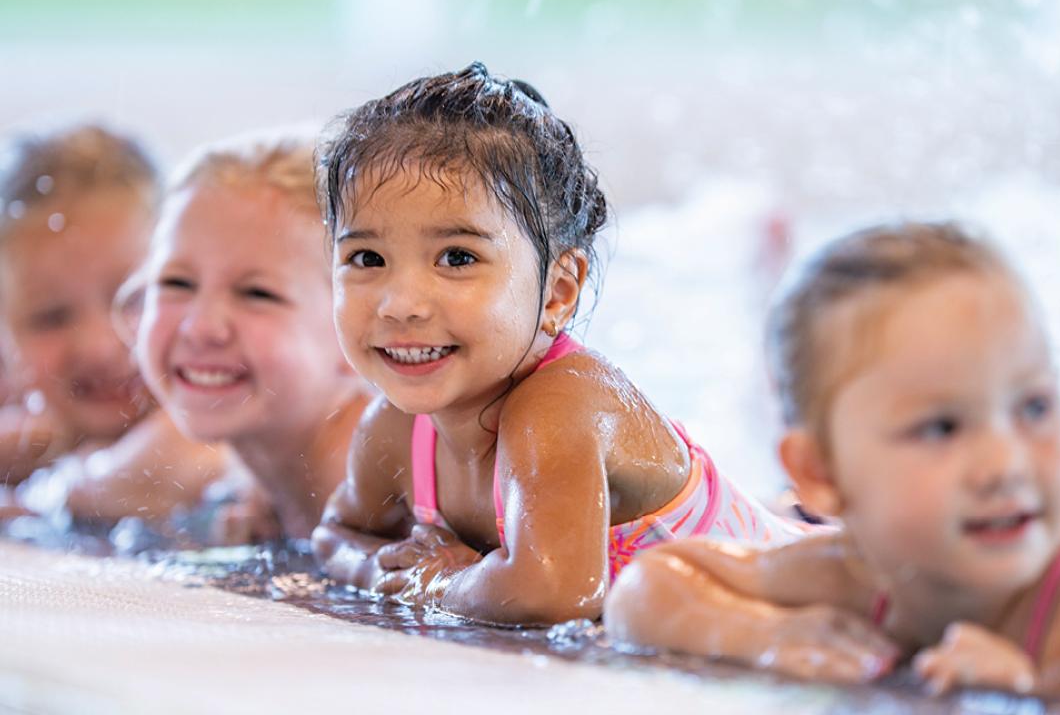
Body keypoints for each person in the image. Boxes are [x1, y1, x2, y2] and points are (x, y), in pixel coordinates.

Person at [604, 222, 1060, 699]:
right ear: (821, 474)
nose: (1006, 462)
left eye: (1035, 407)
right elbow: (644, 587)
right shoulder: (857, 573)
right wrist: (765, 636)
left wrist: (1038, 694)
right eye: (942, 427)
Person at [311, 63, 810, 626]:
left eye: (457, 258)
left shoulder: (562, 404)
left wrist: (435, 579)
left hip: (825, 589)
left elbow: (553, 593)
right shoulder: (397, 430)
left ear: (558, 291)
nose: (401, 303)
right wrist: (380, 571)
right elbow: (337, 537)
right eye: (367, 259)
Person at [135, 130, 368, 542]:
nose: (200, 327)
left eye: (257, 293)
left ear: (362, 333)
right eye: (176, 283)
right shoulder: (260, 482)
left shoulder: (373, 489)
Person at [0, 124, 227, 518]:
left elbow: (159, 470)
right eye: (50, 317)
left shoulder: (223, 424)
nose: (99, 346)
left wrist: (51, 498)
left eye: (135, 297)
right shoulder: (29, 432)